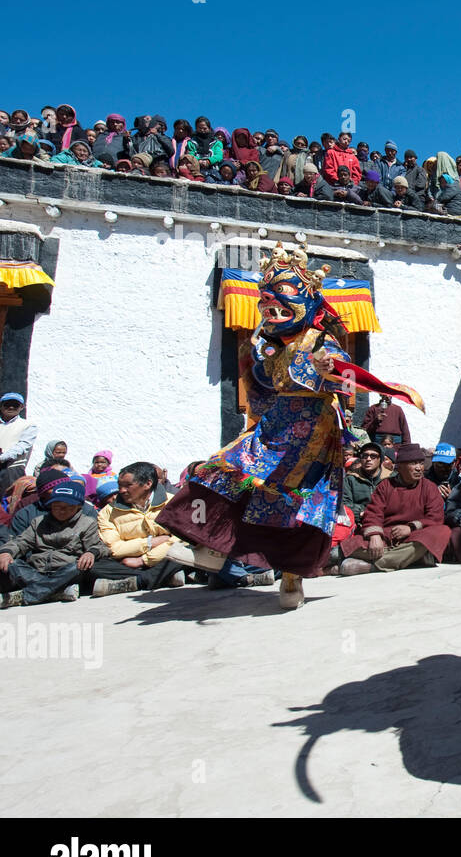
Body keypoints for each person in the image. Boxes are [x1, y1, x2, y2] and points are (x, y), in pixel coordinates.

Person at [156, 242, 423, 609]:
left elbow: (347, 385)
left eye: (281, 295)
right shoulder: (274, 349)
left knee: (298, 508)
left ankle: (291, 578)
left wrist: (331, 372)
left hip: (313, 433)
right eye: (265, 298)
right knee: (224, 469)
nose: (270, 305)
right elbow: (264, 387)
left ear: (308, 300)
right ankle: (210, 546)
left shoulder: (323, 343)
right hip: (274, 429)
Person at [338, 443, 449, 575]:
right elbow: (373, 512)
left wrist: (411, 527)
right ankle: (412, 559)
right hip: (387, 536)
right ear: (399, 467)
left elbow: (435, 517)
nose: (419, 468)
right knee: (345, 548)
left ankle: (371, 566)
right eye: (413, 463)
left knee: (442, 531)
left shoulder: (429, 487)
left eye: (420, 463)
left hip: (414, 537)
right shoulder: (385, 486)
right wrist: (375, 535)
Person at [0, 473, 107, 606]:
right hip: (36, 572)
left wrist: (91, 553)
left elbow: (98, 546)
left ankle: (28, 595)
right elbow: (21, 542)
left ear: (79, 507)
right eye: (56, 507)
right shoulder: (38, 522)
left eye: (67, 508)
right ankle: (52, 592)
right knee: (12, 564)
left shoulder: (87, 523)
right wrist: (6, 552)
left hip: (65, 571)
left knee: (78, 568)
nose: (61, 511)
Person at [88, 462, 187, 597]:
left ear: (147, 484)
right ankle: (164, 578)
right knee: (92, 566)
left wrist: (144, 560)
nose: (122, 491)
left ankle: (138, 581)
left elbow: (181, 538)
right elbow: (114, 548)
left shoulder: (172, 502)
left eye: (128, 485)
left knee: (187, 550)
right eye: (120, 486)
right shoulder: (108, 512)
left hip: (164, 558)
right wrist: (150, 542)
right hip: (127, 562)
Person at [0, 392, 37, 491]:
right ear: (1, 406)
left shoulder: (28, 425)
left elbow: (22, 446)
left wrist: (2, 458)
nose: (11, 407)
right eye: (7, 404)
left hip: (11, 470)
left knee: (8, 503)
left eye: (15, 405)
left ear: (21, 407)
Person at [341, 442, 390, 516]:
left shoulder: (391, 478)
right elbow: (345, 503)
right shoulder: (351, 479)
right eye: (365, 456)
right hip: (359, 520)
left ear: (380, 459)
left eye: (373, 456)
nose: (368, 459)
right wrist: (362, 512)